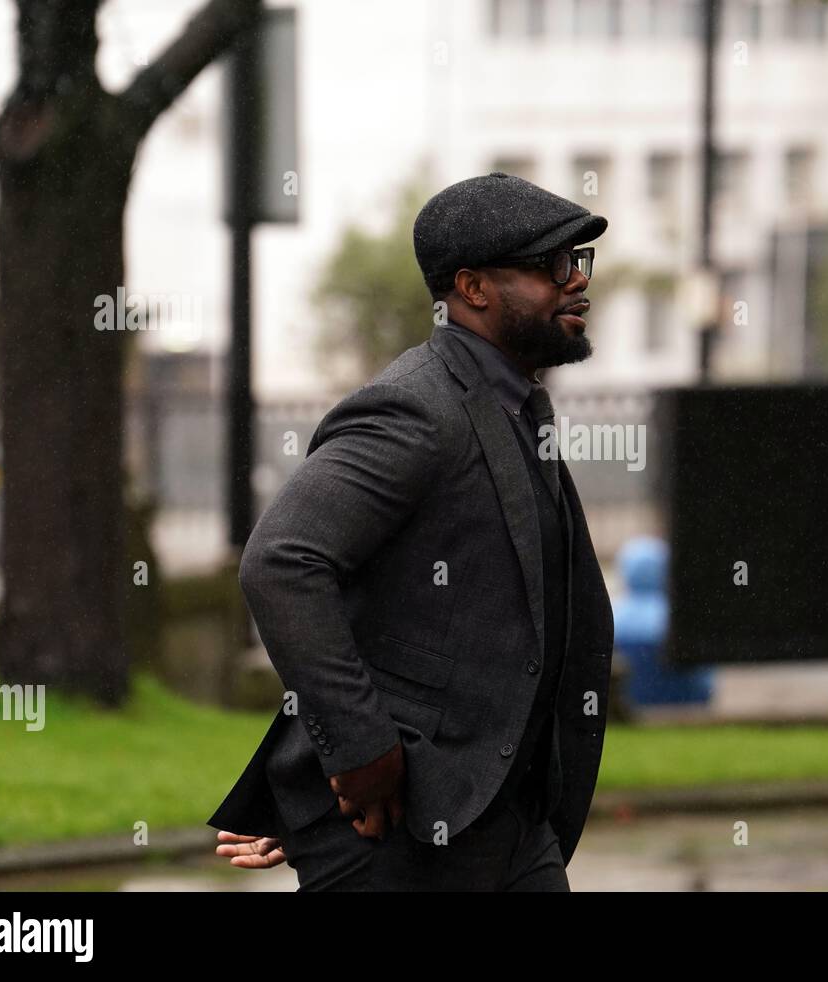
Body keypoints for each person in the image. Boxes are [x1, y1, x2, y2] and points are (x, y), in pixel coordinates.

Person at [207, 171, 615, 891]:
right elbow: (282, 561)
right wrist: (358, 753)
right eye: (551, 265)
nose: (574, 282)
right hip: (398, 837)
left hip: (511, 826)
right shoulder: (416, 410)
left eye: (577, 262)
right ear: (475, 287)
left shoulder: (514, 405)